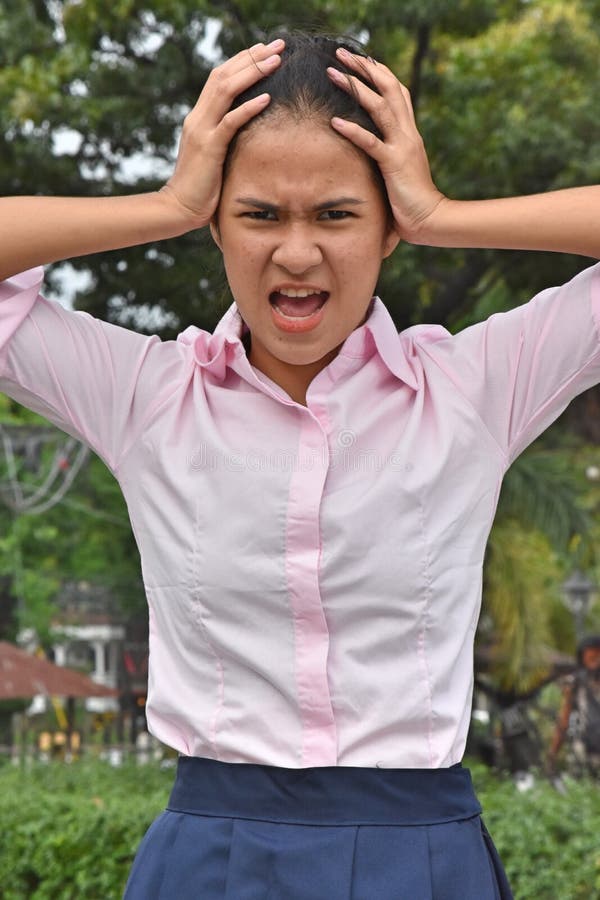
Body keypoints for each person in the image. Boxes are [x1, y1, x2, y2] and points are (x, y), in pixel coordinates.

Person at [2, 29, 600, 899]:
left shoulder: (475, 388)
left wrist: (443, 214)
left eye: (335, 214)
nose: (295, 252)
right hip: (209, 860)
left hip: (423, 859)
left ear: (387, 227)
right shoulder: (146, 397)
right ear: (217, 223)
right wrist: (167, 203)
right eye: (257, 214)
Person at [548, 636, 600, 778]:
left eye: (597, 656)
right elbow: (564, 719)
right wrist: (553, 753)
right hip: (585, 752)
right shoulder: (577, 684)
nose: (595, 661)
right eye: (591, 657)